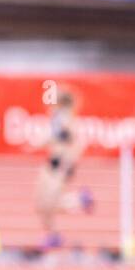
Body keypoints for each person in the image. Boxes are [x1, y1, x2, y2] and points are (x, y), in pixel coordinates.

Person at [35, 88, 93, 250]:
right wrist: (43, 142)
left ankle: (54, 234)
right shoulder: (58, 118)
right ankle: (79, 201)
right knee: (40, 204)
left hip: (61, 166)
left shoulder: (66, 119)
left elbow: (76, 143)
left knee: (49, 204)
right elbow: (54, 139)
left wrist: (68, 163)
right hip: (51, 163)